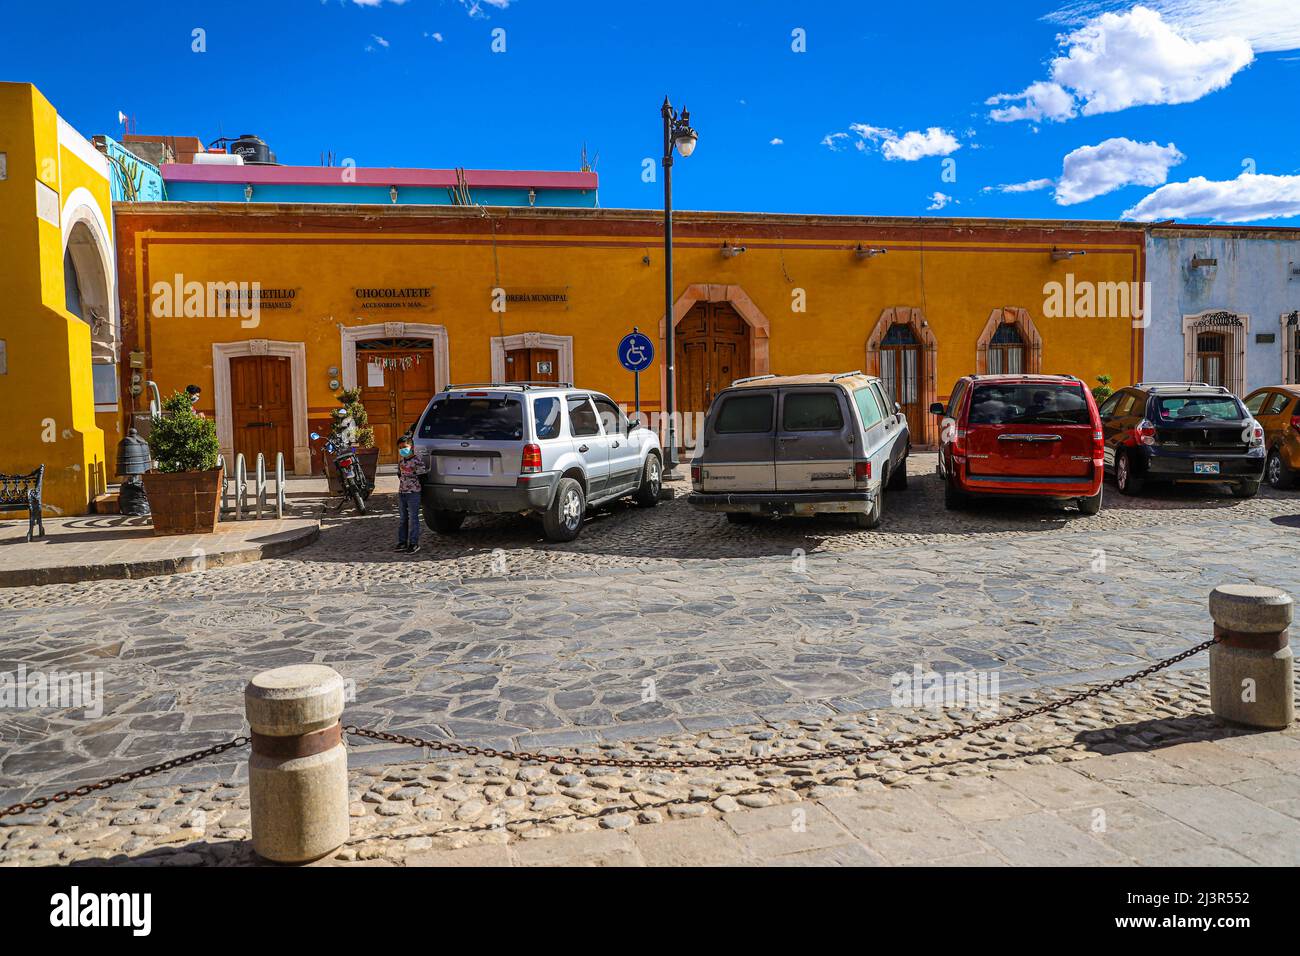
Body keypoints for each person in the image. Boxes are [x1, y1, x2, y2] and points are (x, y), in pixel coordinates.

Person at [394, 435, 428, 554]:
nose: (402, 449)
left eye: (404, 447)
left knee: (414, 518)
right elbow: (400, 474)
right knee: (403, 518)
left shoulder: (417, 461)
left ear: (411, 447)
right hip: (402, 493)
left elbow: (423, 477)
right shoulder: (401, 462)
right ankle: (402, 541)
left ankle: (414, 543)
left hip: (413, 493)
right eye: (400, 448)